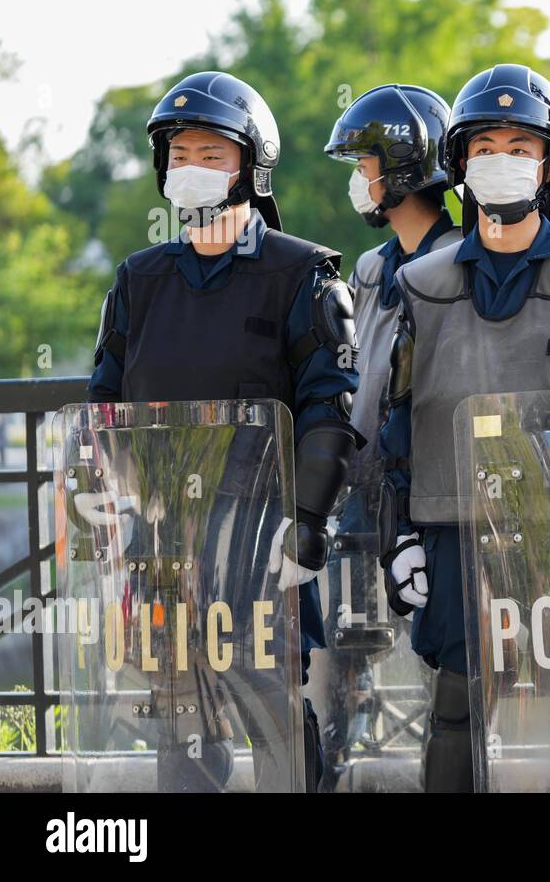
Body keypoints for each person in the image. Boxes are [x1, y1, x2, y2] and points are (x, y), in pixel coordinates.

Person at [88, 71, 361, 791]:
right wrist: (111, 503)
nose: (192, 170)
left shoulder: (303, 275)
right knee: (177, 722)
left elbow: (331, 412)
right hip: (164, 543)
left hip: (264, 542)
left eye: (212, 154)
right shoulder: (138, 281)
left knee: (274, 716)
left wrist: (307, 522)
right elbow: (104, 411)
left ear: (251, 166)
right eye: (180, 155)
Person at [377, 63, 550, 791]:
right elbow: (395, 419)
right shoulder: (419, 288)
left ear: (549, 162)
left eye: (520, 146)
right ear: (458, 164)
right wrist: (395, 534)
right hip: (453, 527)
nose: (501, 160)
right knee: (457, 708)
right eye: (485, 145)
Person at [319, 83, 460, 788]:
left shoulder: (459, 263)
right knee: (339, 667)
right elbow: (363, 382)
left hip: (431, 499)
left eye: (368, 162)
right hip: (362, 496)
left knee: (438, 667)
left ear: (404, 170)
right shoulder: (372, 270)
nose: (359, 178)